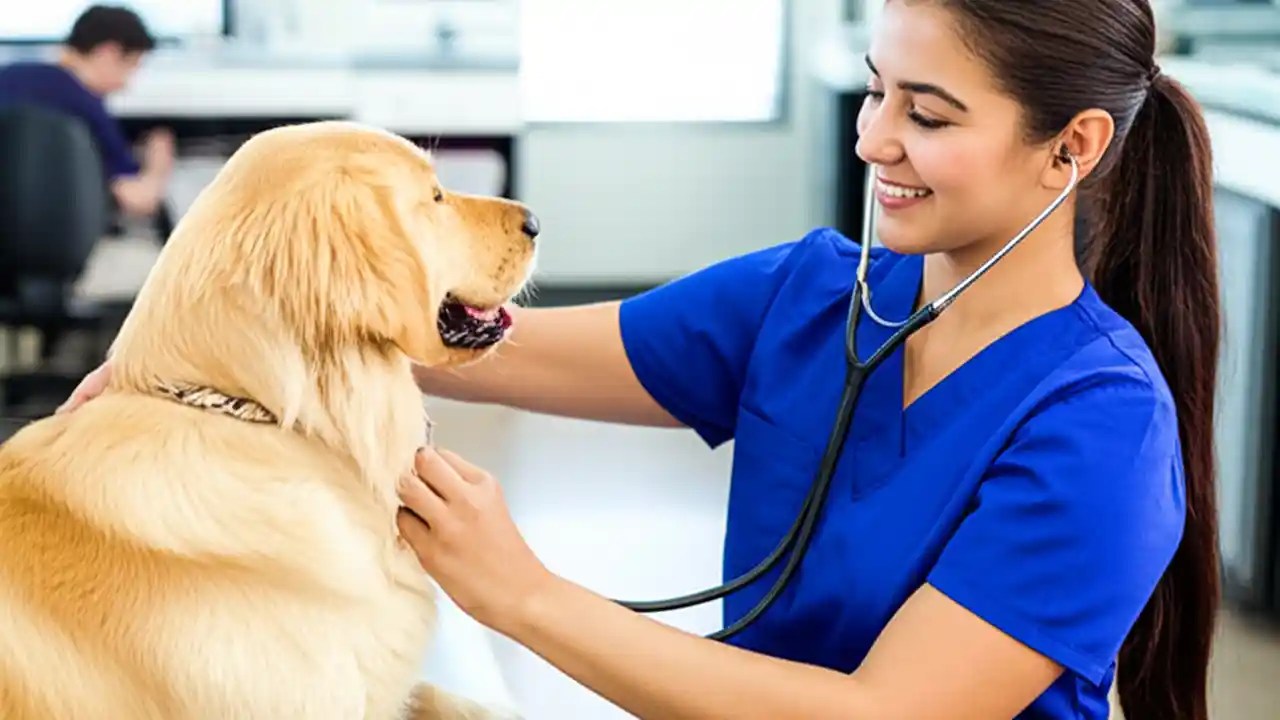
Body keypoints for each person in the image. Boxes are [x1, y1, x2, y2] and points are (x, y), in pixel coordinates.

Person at [60, 1, 1221, 718]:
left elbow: (878, 716)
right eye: (875, 91)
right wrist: (201, 380)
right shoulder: (812, 295)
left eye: (926, 113)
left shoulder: (1097, 427)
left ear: (1069, 148)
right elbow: (475, 343)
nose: (872, 138)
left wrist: (519, 594)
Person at [0, 4, 174, 219]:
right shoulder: (84, 103)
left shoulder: (8, 74)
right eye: (131, 67)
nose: (125, 85)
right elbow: (138, 198)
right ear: (108, 53)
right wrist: (158, 162)